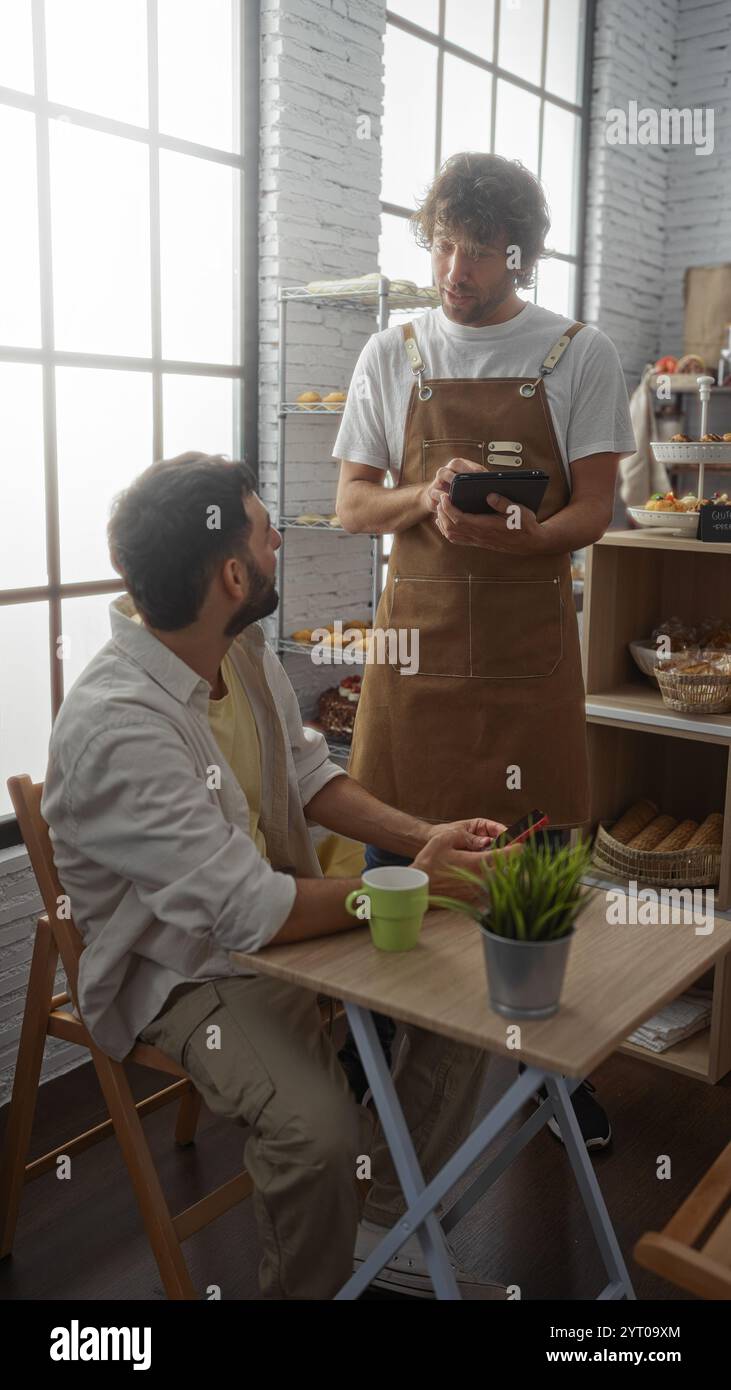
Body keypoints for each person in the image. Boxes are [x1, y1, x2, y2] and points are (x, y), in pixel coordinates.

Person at [42, 453, 514, 1300]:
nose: (281, 543)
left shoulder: (238, 644)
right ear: (232, 573)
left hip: (275, 915)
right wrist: (418, 887)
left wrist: (422, 841)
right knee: (317, 1134)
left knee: (467, 996)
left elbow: (306, 776)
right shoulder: (119, 726)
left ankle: (385, 1221)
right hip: (184, 966)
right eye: (267, 533)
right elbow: (246, 914)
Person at [333, 152, 638, 1149]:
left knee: (539, 854)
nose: (454, 271)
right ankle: (371, 1048)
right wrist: (420, 499)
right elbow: (349, 505)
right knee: (393, 849)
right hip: (413, 654)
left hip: (525, 649)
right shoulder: (394, 349)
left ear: (518, 255)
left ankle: (548, 1064)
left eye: (475, 253)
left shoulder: (576, 352)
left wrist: (523, 536)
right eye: (440, 246)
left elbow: (594, 507)